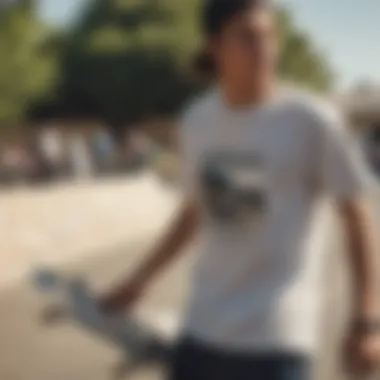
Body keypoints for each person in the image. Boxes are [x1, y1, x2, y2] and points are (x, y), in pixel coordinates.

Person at [100, 1, 380, 379]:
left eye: (269, 36)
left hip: (278, 343)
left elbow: (355, 217)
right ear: (215, 46)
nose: (264, 49)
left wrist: (366, 321)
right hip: (202, 334)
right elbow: (196, 214)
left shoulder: (310, 120)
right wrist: (139, 280)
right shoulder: (198, 121)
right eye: (247, 37)